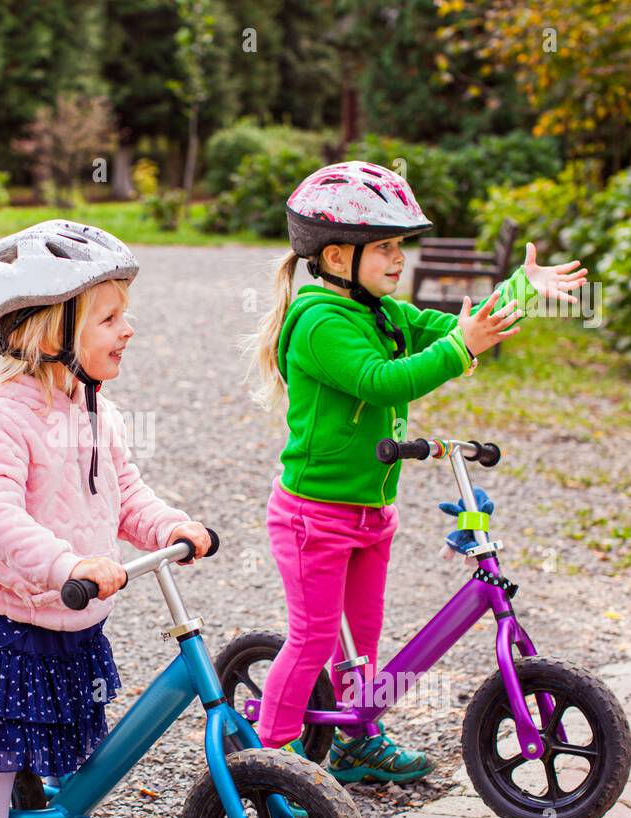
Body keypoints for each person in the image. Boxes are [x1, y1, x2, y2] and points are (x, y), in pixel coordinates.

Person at [246, 162, 587, 782]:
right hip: (313, 516)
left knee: (366, 642)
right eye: (384, 247)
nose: (398, 258)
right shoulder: (321, 322)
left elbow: (455, 328)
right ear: (336, 256)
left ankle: (355, 739)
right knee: (315, 639)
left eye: (399, 245)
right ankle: (271, 763)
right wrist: (461, 350)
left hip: (372, 513)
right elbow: (384, 382)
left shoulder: (381, 311)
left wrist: (520, 289)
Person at [0, 219, 211, 818]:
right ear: (49, 331)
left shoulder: (96, 409)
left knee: (71, 737)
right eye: (110, 318)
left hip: (75, 612)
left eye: (125, 315)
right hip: (8, 621)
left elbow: (126, 493)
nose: (128, 330)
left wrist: (168, 526)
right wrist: (65, 563)